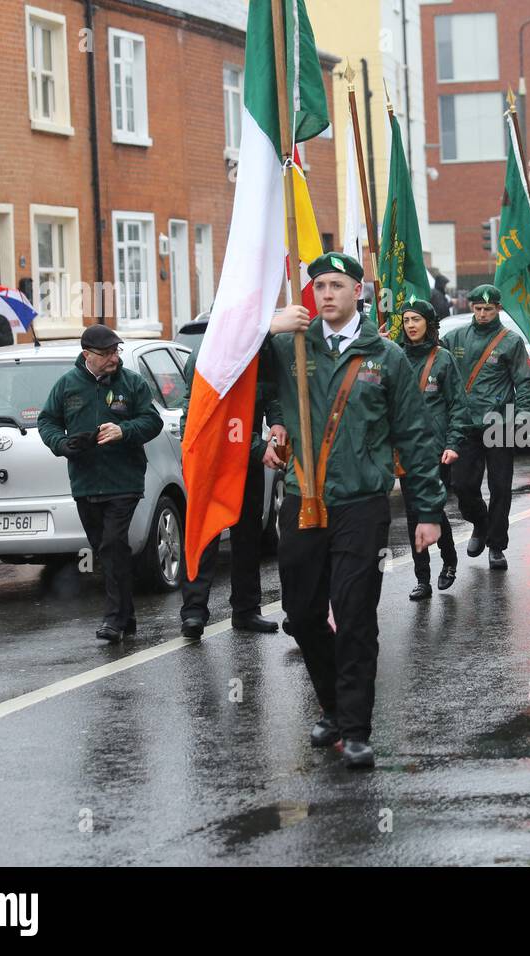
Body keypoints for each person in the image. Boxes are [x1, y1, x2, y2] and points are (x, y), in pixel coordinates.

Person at [263, 252, 445, 770]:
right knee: (300, 615)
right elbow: (227, 370)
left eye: (336, 285)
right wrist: (264, 328)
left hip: (361, 504)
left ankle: (357, 727)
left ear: (357, 292)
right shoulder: (289, 345)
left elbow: (414, 437)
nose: (325, 294)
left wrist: (427, 511)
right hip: (301, 500)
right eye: (318, 285)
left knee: (355, 613)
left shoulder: (385, 357)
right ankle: (331, 705)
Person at [37, 325, 163, 642]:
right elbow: (47, 421)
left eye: (115, 352)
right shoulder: (67, 385)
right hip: (86, 482)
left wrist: (124, 431)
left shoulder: (132, 383)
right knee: (105, 550)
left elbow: (153, 421)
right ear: (86, 356)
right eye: (105, 353)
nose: (112, 359)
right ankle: (127, 615)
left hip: (124, 480)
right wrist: (61, 444)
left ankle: (113, 620)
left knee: (112, 544)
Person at [177, 334, 283, 639]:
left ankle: (247, 610)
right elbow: (219, 421)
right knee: (205, 532)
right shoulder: (210, 357)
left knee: (248, 533)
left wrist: (276, 422)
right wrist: (258, 447)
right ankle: (194, 613)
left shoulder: (262, 348)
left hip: (246, 454)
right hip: (211, 453)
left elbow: (272, 392)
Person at [441, 284, 530, 571]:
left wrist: (522, 417)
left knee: (500, 488)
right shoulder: (454, 337)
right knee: (462, 485)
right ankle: (480, 522)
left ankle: (496, 545)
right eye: (478, 308)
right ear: (471, 307)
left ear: (498, 309)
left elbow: (524, 382)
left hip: (499, 425)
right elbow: (430, 360)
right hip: (464, 426)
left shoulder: (510, 341)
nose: (482, 314)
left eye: (488, 309)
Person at [399, 297, 468, 601]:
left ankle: (449, 560)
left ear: (428, 324)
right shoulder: (396, 358)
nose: (411, 325)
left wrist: (453, 443)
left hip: (436, 449)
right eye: (406, 320)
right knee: (414, 513)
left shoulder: (443, 359)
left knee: (433, 509)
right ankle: (422, 578)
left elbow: (458, 407)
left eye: (416, 319)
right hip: (405, 451)